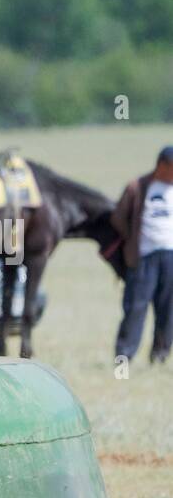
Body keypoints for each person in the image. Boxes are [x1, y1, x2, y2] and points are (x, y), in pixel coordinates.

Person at [113, 146, 173, 364]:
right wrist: (131, 238)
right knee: (135, 307)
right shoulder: (138, 187)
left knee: (168, 309)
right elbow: (118, 218)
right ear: (162, 166)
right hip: (144, 257)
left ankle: (160, 354)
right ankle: (124, 355)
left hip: (170, 256)